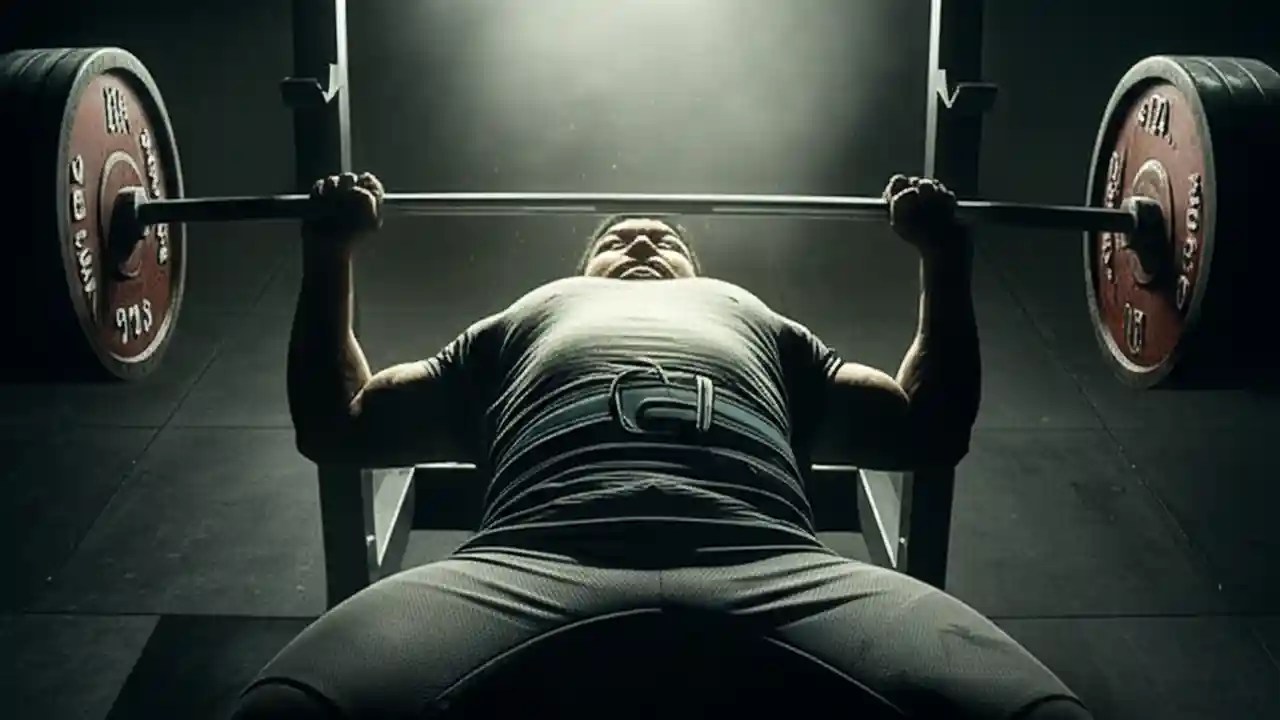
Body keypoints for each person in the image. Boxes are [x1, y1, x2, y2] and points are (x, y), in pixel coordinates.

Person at [231, 172, 1093, 719]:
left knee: (1033, 711)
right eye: (617, 237)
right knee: (289, 706)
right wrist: (329, 248)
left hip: (772, 562)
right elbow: (337, 424)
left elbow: (927, 426)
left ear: (696, 268)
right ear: (581, 267)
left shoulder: (754, 315)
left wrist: (943, 259)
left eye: (665, 237)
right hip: (530, 561)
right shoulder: (524, 315)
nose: (643, 238)